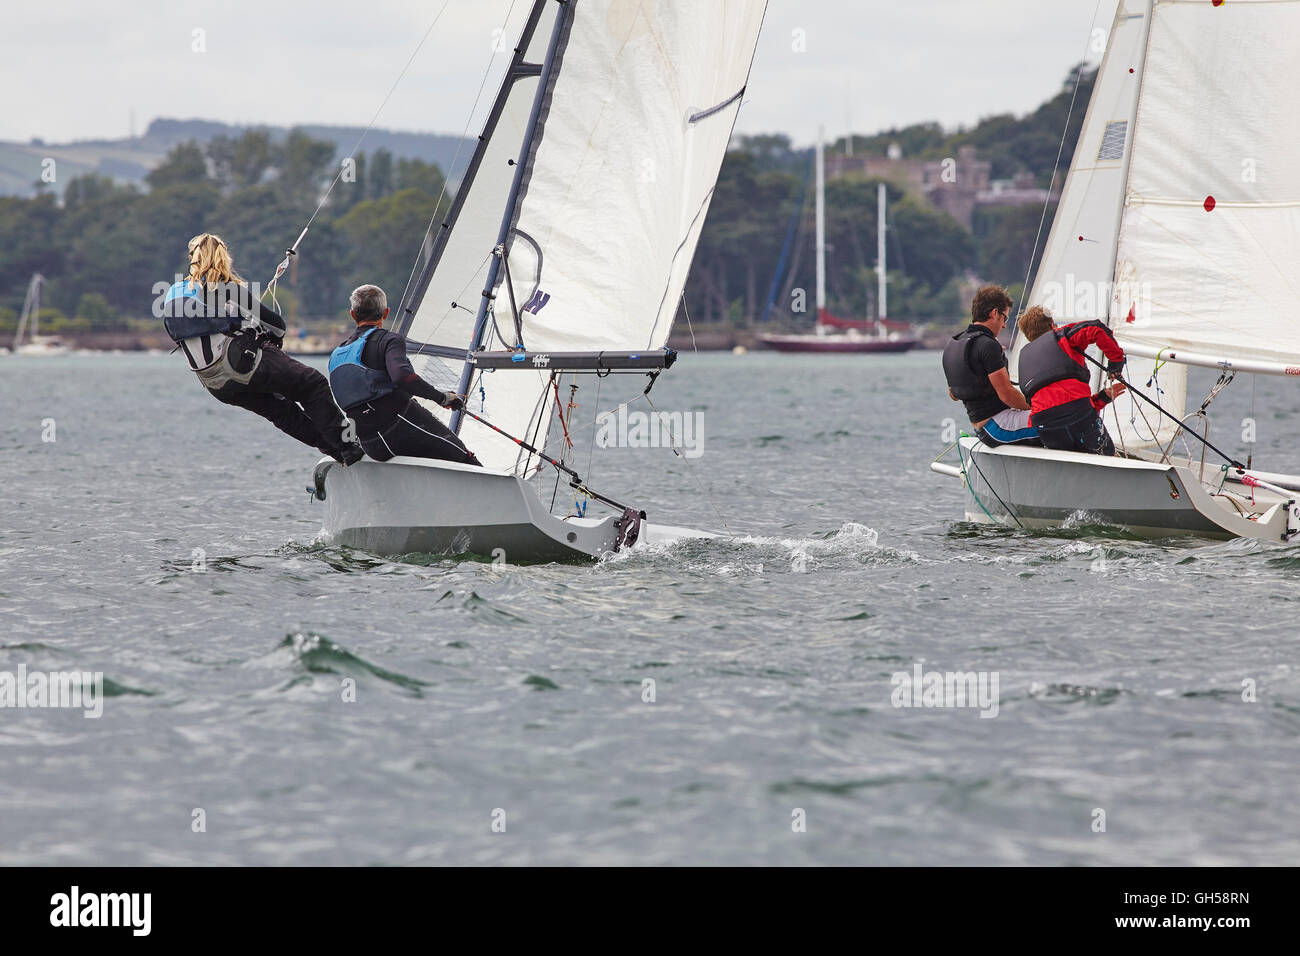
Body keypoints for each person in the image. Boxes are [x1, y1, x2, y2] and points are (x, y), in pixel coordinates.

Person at [159, 233, 364, 464]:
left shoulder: (173, 293)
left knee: (281, 412)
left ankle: (337, 452)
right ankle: (348, 446)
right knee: (311, 383)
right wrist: (267, 337)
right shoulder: (227, 288)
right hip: (242, 365)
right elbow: (278, 327)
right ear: (223, 258)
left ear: (192, 259)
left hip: (216, 385)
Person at [328, 284, 482, 466]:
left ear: (353, 315)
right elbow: (402, 377)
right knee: (464, 457)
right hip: (399, 429)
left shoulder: (335, 355)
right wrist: (443, 398)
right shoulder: (389, 340)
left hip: (370, 443)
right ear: (385, 313)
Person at [1016, 305, 1128, 456]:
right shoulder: (1063, 336)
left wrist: (1102, 398)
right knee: (1109, 457)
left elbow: (1055, 405)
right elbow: (1096, 329)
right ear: (1051, 325)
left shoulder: (1025, 358)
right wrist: (1116, 362)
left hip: (1044, 423)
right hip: (1078, 413)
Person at [942, 285, 1040, 446]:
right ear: (995, 313)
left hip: (980, 428)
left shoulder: (954, 344)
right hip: (998, 426)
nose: (1004, 325)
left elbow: (954, 394)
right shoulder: (988, 345)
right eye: (1005, 318)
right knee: (1054, 420)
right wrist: (1033, 407)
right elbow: (1007, 395)